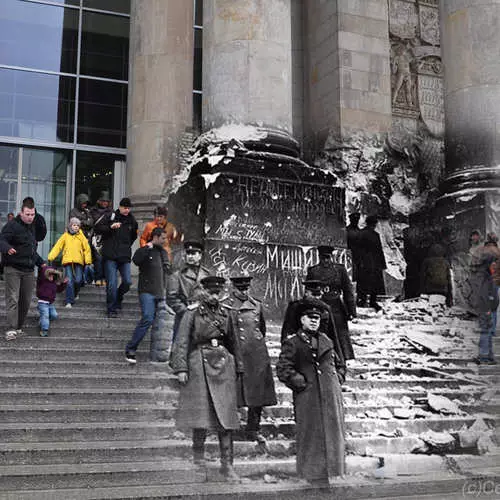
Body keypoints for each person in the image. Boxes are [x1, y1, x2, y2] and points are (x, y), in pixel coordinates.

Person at [170, 276, 243, 482]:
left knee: (226, 417)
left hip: (222, 365)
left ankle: (227, 465)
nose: (214, 296)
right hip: (198, 364)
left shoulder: (227, 313)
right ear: (204, 293)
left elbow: (234, 342)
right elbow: (182, 340)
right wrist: (181, 368)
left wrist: (239, 366)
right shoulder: (192, 313)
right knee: (200, 415)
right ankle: (198, 461)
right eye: (211, 292)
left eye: (217, 293)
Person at [276, 298, 345, 485]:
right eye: (309, 317)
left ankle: (329, 473)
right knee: (311, 435)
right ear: (302, 320)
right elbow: (283, 368)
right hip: (308, 397)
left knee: (330, 435)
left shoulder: (326, 340)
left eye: (317, 318)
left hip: (330, 396)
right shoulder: (294, 342)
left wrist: (337, 379)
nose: (314, 321)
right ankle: (312, 476)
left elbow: (339, 364)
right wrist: (300, 383)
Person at [223, 276, 277, 443]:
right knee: (232, 394)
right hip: (235, 352)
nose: (244, 291)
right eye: (240, 289)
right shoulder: (226, 306)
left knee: (258, 394)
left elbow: (261, 329)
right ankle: (230, 428)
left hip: (256, 355)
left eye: (246, 288)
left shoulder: (256, 305)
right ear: (234, 288)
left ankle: (253, 428)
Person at [281, 279, 348, 373]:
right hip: (300, 350)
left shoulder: (325, 309)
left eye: (318, 295)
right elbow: (287, 330)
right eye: (313, 295)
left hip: (321, 349)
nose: (316, 299)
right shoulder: (295, 307)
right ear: (306, 293)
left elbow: (333, 335)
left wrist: (340, 362)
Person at [0, 198, 44, 341]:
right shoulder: (12, 226)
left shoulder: (32, 228)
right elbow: (1, 240)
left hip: (29, 270)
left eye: (32, 214)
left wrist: (41, 263)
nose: (31, 217)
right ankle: (11, 329)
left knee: (25, 300)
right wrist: (7, 248)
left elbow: (31, 250)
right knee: (13, 298)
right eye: (28, 214)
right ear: (21, 213)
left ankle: (18, 327)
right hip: (12, 268)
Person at [125, 227, 170, 364]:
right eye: (162, 238)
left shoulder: (163, 252)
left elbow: (167, 271)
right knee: (147, 318)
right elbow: (136, 260)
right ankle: (131, 348)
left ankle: (157, 353)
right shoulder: (145, 250)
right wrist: (147, 248)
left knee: (161, 324)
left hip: (160, 293)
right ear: (155, 237)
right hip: (147, 292)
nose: (164, 240)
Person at [306, 246, 355, 361]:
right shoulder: (313, 271)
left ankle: (342, 358)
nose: (325, 261)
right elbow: (308, 291)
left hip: (336, 305)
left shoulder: (339, 270)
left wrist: (351, 311)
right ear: (319, 257)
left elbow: (348, 291)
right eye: (323, 258)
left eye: (328, 258)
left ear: (331, 257)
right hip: (320, 305)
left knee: (340, 334)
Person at [94, 197, 138, 317]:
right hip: (110, 255)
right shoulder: (111, 216)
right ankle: (111, 308)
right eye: (125, 208)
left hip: (124, 255)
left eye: (128, 208)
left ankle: (119, 297)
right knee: (112, 284)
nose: (127, 210)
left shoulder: (132, 220)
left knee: (128, 281)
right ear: (120, 207)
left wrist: (126, 245)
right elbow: (97, 228)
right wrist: (110, 228)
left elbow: (133, 236)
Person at [167, 241, 211, 344]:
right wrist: (186, 311)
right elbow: (171, 298)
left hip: (203, 318)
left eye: (193, 253)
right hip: (184, 317)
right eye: (188, 253)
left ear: (200, 256)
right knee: (181, 348)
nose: (190, 256)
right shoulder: (177, 275)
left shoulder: (207, 274)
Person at [47, 217, 93, 308]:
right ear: (70, 226)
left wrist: (88, 261)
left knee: (78, 280)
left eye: (77, 225)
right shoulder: (65, 236)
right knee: (69, 281)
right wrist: (51, 256)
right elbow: (58, 246)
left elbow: (87, 249)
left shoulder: (81, 236)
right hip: (68, 261)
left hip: (79, 261)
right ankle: (69, 301)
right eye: (74, 225)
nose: (76, 227)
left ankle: (75, 293)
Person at [356, 215, 387, 311]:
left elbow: (357, 250)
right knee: (374, 282)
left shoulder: (360, 233)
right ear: (374, 224)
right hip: (375, 262)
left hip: (363, 262)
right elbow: (379, 250)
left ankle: (362, 300)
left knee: (362, 281)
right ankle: (372, 301)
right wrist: (383, 264)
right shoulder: (375, 235)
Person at [473, 254, 499, 365]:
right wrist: (487, 308)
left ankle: (489, 356)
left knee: (488, 332)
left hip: (490, 309)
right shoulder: (485, 277)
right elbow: (483, 294)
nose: (495, 266)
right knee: (485, 331)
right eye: (493, 264)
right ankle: (484, 356)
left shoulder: (490, 276)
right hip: (486, 309)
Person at [36, 264, 68, 337]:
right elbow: (43, 272)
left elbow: (59, 290)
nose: (51, 277)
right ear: (46, 275)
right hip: (42, 302)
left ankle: (42, 321)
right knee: (46, 316)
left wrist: (64, 284)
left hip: (50, 303)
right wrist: (47, 269)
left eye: (52, 276)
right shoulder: (42, 281)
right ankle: (44, 330)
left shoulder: (54, 283)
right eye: (49, 275)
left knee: (54, 315)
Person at [89, 191, 113, 286]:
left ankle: (105, 278)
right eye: (103, 201)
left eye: (106, 201)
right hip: (96, 237)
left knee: (106, 258)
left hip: (107, 237)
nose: (105, 203)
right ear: (99, 201)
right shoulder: (93, 211)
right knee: (98, 258)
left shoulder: (111, 212)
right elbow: (95, 224)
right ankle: (98, 278)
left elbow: (112, 224)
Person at [346, 212, 362, 283]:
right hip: (349, 254)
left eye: (357, 220)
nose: (356, 221)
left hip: (358, 255)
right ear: (351, 220)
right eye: (354, 220)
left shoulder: (360, 231)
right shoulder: (346, 231)